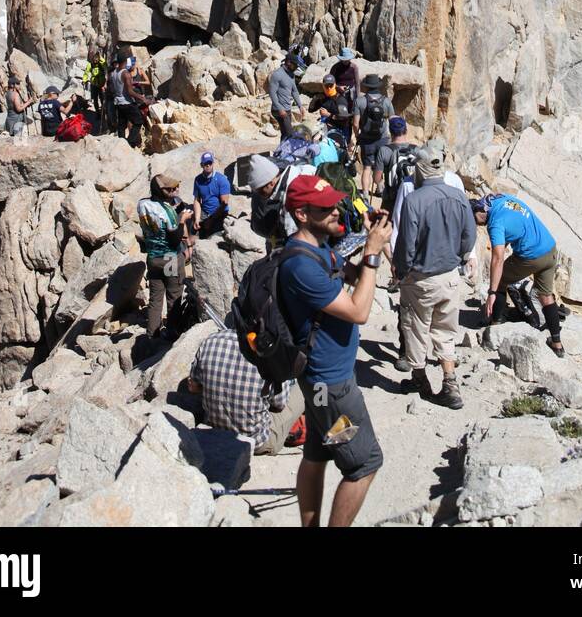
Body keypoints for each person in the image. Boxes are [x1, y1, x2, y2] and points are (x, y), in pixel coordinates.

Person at [278, 173, 390, 528]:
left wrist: (366, 247)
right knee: (365, 463)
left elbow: (350, 276)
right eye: (324, 208)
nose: (334, 211)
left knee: (318, 452)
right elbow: (359, 311)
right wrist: (372, 254)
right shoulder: (300, 265)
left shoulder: (318, 248)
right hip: (331, 387)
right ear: (300, 213)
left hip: (321, 386)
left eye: (334, 203)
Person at [393, 145, 476, 409]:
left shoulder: (414, 200)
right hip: (450, 275)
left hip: (421, 276)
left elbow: (406, 243)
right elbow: (469, 237)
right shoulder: (459, 196)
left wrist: (401, 270)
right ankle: (450, 383)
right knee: (446, 330)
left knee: (416, 327)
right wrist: (461, 256)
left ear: (419, 170)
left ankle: (420, 379)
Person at [471, 193, 566, 358]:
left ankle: (496, 323)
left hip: (531, 256)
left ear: (479, 212)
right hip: (550, 249)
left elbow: (498, 258)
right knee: (546, 296)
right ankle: (557, 344)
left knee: (499, 279)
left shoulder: (494, 223)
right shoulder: (500, 199)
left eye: (475, 221)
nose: (477, 225)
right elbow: (513, 225)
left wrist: (492, 292)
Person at [187, 328, 305, 455]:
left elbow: (193, 387)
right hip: (257, 442)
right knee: (307, 381)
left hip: (214, 430)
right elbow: (279, 403)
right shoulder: (274, 353)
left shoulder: (211, 340)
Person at [137, 174, 193, 342]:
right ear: (161, 191)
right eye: (169, 189)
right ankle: (173, 335)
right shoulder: (167, 211)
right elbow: (175, 238)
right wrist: (182, 220)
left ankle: (151, 335)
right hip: (169, 257)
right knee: (173, 296)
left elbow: (157, 217)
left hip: (153, 257)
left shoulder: (143, 204)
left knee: (155, 297)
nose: (173, 191)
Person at [248, 153, 316, 247]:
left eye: (261, 191)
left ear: (271, 183)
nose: (261, 196)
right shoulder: (298, 171)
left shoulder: (291, 196)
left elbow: (295, 240)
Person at [353, 73, 394, 197]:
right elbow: (392, 120)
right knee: (380, 166)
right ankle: (380, 188)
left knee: (367, 167)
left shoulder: (359, 101)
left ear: (366, 86)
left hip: (366, 140)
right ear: (378, 86)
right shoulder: (386, 101)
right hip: (382, 139)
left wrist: (357, 136)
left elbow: (355, 123)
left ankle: (365, 194)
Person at [110, 55, 147, 148]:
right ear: (125, 62)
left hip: (118, 102)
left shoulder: (113, 73)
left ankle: (121, 144)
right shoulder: (125, 73)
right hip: (127, 102)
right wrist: (143, 98)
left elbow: (112, 89)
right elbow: (130, 92)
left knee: (122, 125)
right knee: (138, 121)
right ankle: (129, 143)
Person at [193, 153, 231, 237]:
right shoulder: (198, 180)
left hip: (219, 214)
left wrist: (211, 220)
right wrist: (197, 218)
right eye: (205, 163)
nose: (208, 165)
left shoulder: (222, 180)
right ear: (201, 165)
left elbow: (224, 204)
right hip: (204, 212)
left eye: (210, 163)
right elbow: (197, 200)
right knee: (194, 234)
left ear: (213, 163)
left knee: (214, 238)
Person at [308, 73, 355, 142]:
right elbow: (311, 110)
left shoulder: (340, 99)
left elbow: (344, 118)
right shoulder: (323, 97)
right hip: (326, 126)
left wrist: (328, 114)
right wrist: (315, 99)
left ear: (335, 84)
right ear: (323, 86)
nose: (329, 88)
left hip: (340, 129)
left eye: (331, 85)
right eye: (326, 86)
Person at [268, 53, 304, 139]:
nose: (296, 67)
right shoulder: (277, 74)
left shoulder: (292, 74)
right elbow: (272, 93)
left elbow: (294, 91)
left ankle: (281, 151)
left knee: (285, 135)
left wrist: (300, 106)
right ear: (288, 62)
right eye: (295, 65)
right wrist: (280, 109)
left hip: (287, 109)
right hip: (278, 110)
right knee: (290, 134)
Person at [82, 49, 107, 126]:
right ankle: (98, 112)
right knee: (95, 99)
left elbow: (105, 64)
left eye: (97, 59)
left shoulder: (101, 64)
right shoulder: (90, 64)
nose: (95, 60)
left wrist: (101, 58)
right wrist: (84, 80)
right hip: (94, 84)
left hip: (102, 85)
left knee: (103, 99)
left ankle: (104, 112)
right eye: (94, 59)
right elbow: (86, 72)